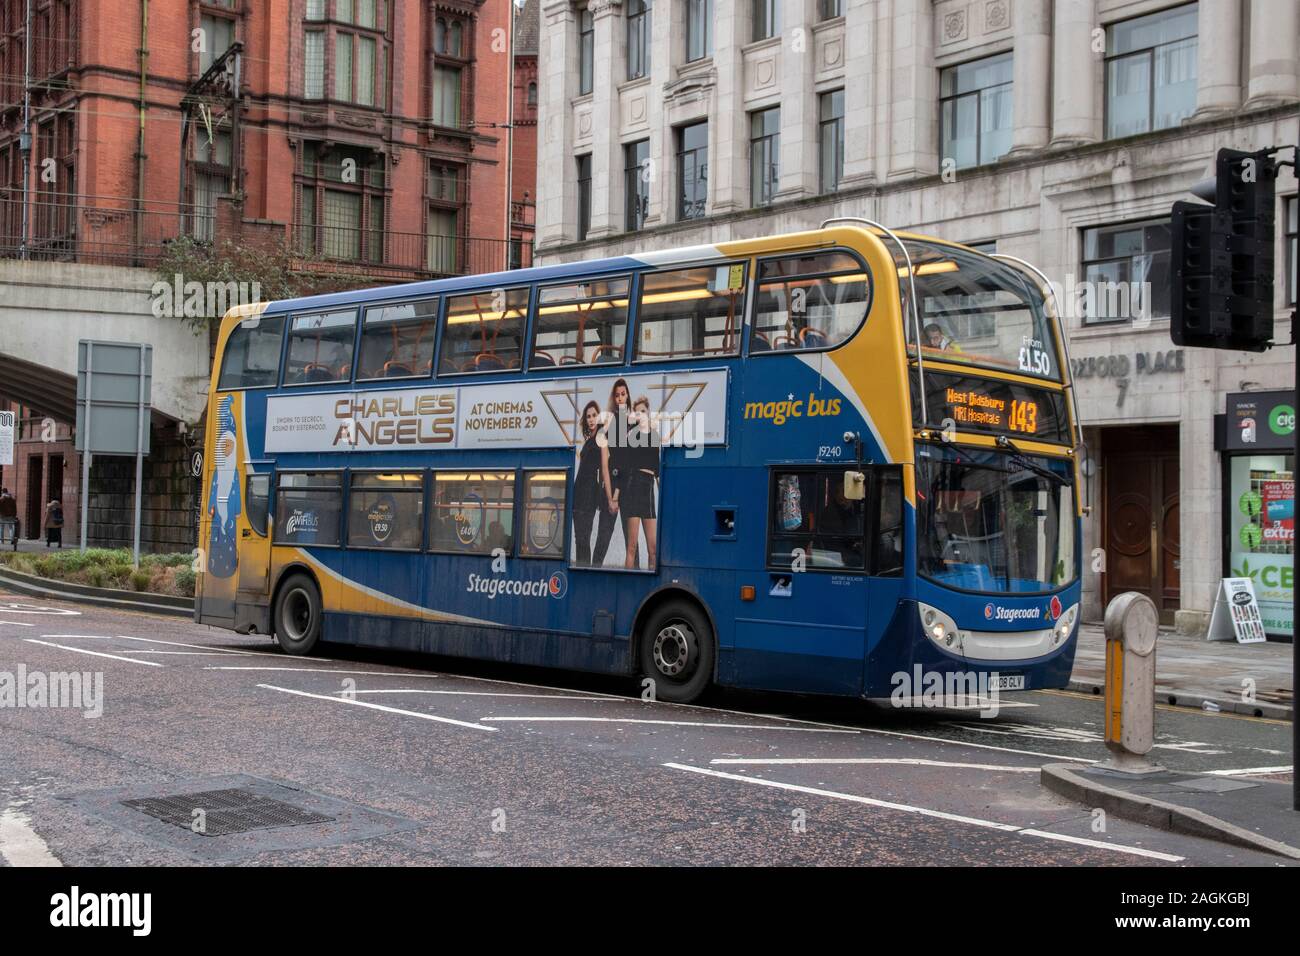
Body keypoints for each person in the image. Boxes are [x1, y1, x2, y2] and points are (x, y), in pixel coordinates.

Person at [594, 378, 632, 566]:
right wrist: (611, 497)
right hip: (611, 486)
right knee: (603, 539)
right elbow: (607, 466)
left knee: (631, 544)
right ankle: (591, 573)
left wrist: (616, 496)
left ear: (628, 396)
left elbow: (627, 463)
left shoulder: (632, 423)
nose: (620, 398)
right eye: (616, 395)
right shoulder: (610, 422)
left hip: (627, 489)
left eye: (623, 394)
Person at [621, 396, 661, 571]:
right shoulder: (632, 435)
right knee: (632, 546)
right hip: (635, 485)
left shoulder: (655, 436)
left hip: (649, 487)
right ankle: (626, 583)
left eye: (643, 411)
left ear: (648, 412)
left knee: (653, 549)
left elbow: (657, 468)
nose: (641, 415)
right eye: (638, 412)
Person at [571, 401, 607, 567]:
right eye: (588, 416)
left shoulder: (601, 438)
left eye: (594, 415)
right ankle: (580, 569)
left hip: (589, 495)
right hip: (578, 493)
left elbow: (605, 469)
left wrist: (604, 497)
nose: (591, 419)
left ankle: (584, 572)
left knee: (584, 538)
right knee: (579, 539)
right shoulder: (588, 440)